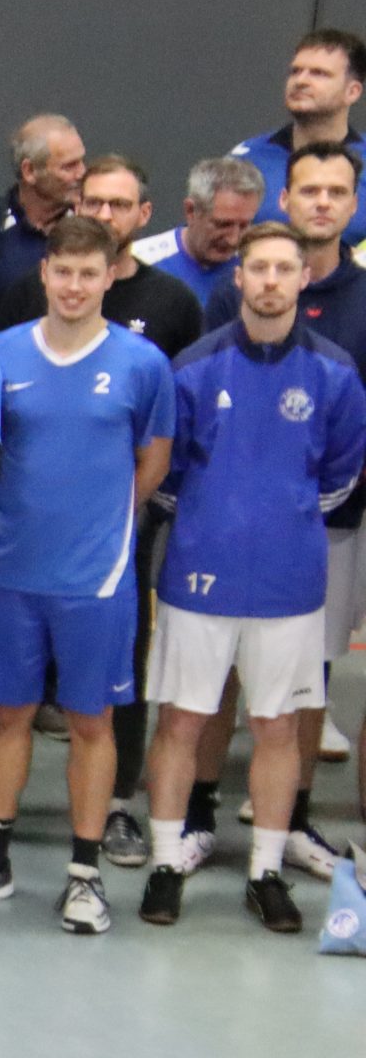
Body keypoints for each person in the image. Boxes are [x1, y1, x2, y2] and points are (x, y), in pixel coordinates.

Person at [0, 215, 173, 936]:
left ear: (111, 275)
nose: (74, 286)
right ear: (46, 273)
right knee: (7, 713)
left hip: (97, 578)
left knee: (92, 720)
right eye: (63, 271)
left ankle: (85, 874)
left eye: (90, 273)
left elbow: (152, 459)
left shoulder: (141, 363)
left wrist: (101, 519)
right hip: (10, 570)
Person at [140, 223, 366, 934]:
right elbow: (166, 479)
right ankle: (165, 862)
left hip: (290, 584)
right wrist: (217, 523)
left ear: (305, 279)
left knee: (276, 726)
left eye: (283, 269)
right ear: (238, 278)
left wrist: (278, 522)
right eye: (257, 268)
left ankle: (265, 870)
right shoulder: (194, 368)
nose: (269, 280)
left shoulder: (335, 374)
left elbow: (338, 477)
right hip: (197, 577)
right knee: (181, 719)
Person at [198, 143, 366, 879]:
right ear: (286, 201)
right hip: (222, 531)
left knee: (306, 683)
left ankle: (291, 823)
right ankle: (197, 814)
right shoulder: (230, 295)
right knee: (215, 680)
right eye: (309, 189)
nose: (323, 202)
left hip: (327, 523)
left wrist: (313, 505)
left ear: (354, 206)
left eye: (337, 191)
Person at [0, 156, 205, 356]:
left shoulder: (175, 302)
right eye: (94, 203)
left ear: (144, 213)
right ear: (77, 208)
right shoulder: (31, 291)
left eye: (119, 205)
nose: (104, 216)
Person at [230, 29, 366, 243]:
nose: (301, 81)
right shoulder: (246, 161)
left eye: (319, 73)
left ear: (353, 91)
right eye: (295, 71)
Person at [0, 114, 84, 340]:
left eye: (81, 161)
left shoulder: (91, 225)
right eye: (69, 167)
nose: (81, 174)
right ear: (29, 171)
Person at [134, 157, 265, 308]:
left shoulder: (263, 268)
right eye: (222, 225)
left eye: (244, 225)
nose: (233, 240)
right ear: (191, 211)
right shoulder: (138, 262)